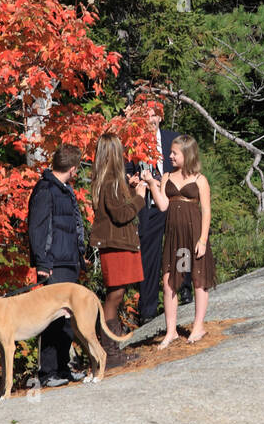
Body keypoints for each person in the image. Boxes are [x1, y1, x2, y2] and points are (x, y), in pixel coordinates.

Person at [134, 134, 216, 347]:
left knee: (198, 279)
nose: (169, 156)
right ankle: (171, 331)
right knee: (170, 282)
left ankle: (198, 326)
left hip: (194, 236)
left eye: (174, 153)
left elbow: (206, 211)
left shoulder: (200, 180)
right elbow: (163, 206)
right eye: (170, 152)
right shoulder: (167, 177)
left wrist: (203, 240)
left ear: (187, 155)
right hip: (175, 239)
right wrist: (152, 183)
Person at [27, 143, 88, 387]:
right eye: (78, 168)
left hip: (69, 261)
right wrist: (42, 263)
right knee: (51, 319)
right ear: (72, 168)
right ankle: (48, 371)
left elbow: (73, 226)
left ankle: (63, 368)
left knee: (67, 321)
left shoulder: (65, 189)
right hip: (53, 264)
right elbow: (37, 229)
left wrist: (80, 255)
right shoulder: (45, 190)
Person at [91, 132, 143, 342]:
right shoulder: (110, 181)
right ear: (114, 154)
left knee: (117, 294)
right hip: (115, 245)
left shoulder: (110, 181)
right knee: (115, 295)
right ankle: (109, 348)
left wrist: (129, 190)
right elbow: (122, 214)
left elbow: (118, 206)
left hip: (117, 243)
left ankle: (111, 345)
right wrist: (139, 198)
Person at [131, 116, 178, 325]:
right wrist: (131, 180)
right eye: (145, 114)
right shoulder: (132, 142)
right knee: (149, 257)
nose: (149, 119)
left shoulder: (173, 139)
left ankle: (184, 291)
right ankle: (148, 309)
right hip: (147, 208)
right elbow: (124, 171)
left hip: (173, 203)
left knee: (179, 247)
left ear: (160, 116)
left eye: (153, 114)